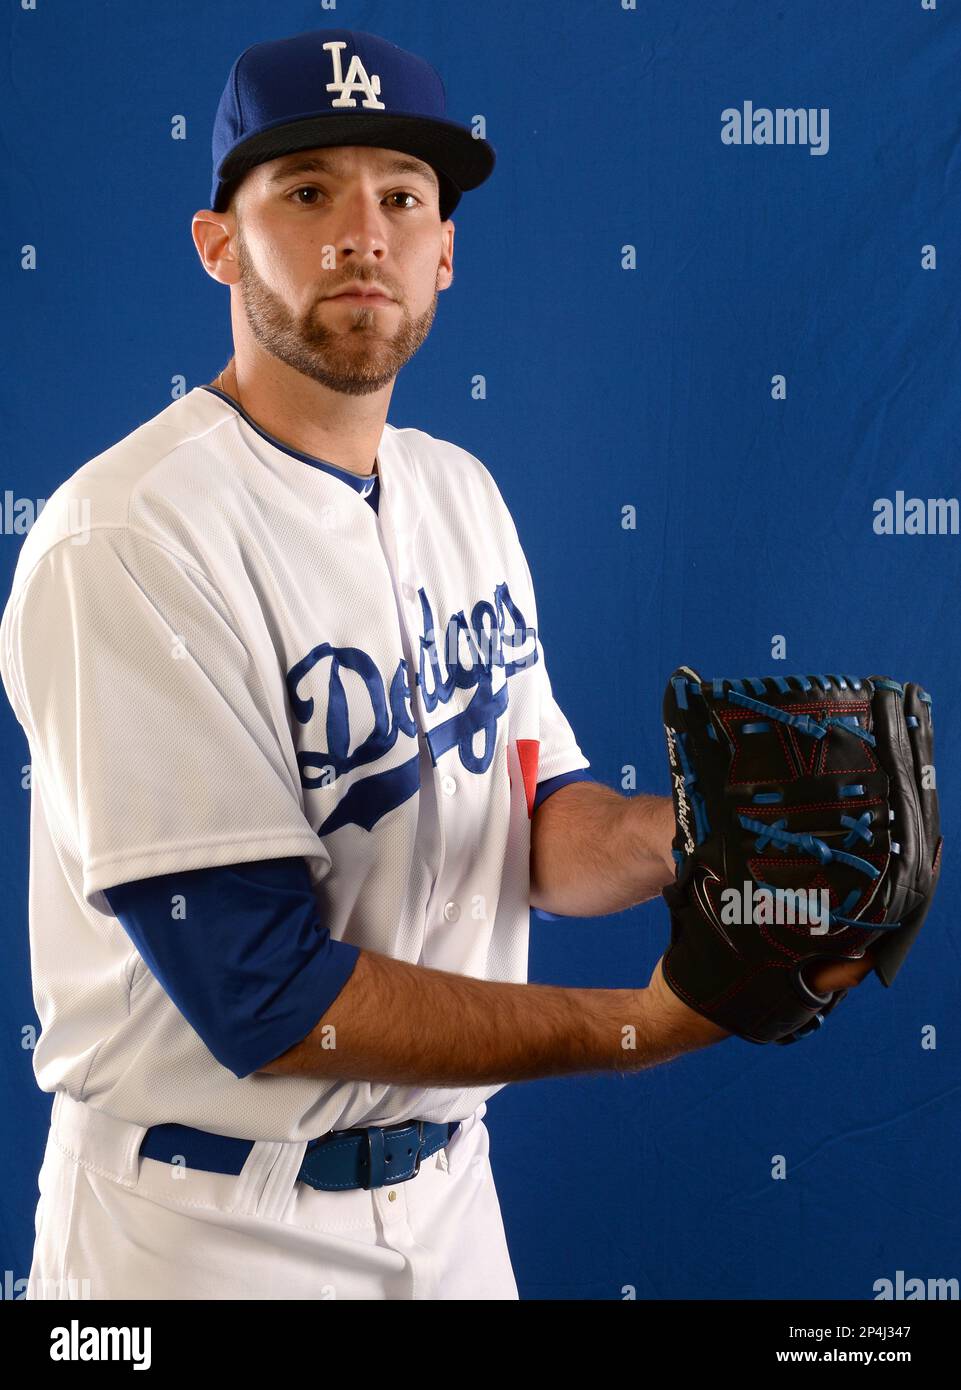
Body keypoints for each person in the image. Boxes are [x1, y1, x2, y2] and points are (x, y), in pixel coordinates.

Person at [0, 27, 870, 1302]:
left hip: (453, 1200)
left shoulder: (461, 493)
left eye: (402, 197)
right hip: (200, 1229)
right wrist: (646, 1025)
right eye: (306, 192)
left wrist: (697, 833)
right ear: (219, 243)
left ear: (445, 253)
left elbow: (534, 825)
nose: (364, 232)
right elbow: (271, 997)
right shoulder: (125, 539)